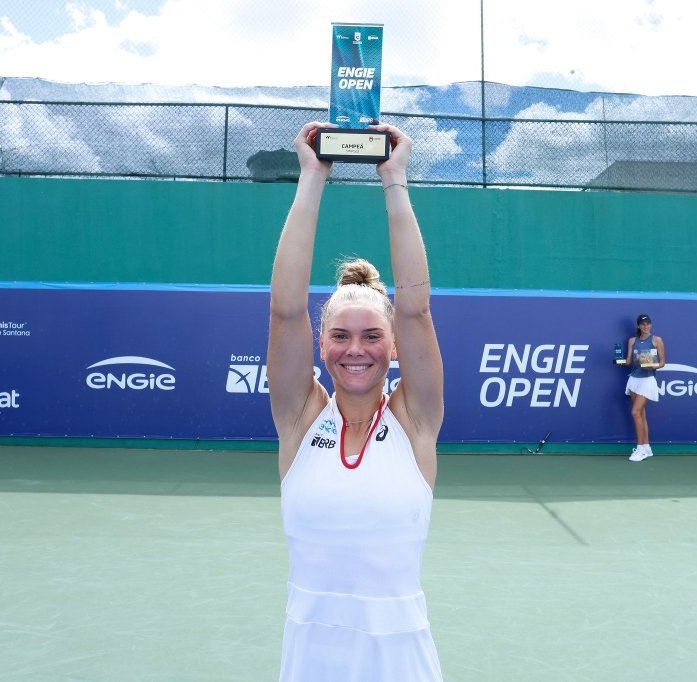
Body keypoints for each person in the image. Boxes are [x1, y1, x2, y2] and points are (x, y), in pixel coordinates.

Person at [268, 121, 444, 681]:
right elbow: (286, 309)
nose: (356, 350)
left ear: (393, 346)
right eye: (341, 336)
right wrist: (311, 179)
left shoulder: (416, 422)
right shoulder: (299, 419)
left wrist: (394, 181)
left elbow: (415, 307)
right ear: (322, 345)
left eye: (372, 336)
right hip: (310, 664)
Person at [622, 313, 665, 461]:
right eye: (643, 324)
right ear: (638, 326)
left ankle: (640, 449)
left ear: (651, 325)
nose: (646, 326)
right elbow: (629, 362)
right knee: (641, 414)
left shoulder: (657, 340)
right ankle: (647, 447)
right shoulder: (632, 341)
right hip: (634, 379)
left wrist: (652, 365)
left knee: (635, 412)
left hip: (648, 380)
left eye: (648, 324)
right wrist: (619, 361)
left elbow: (662, 363)